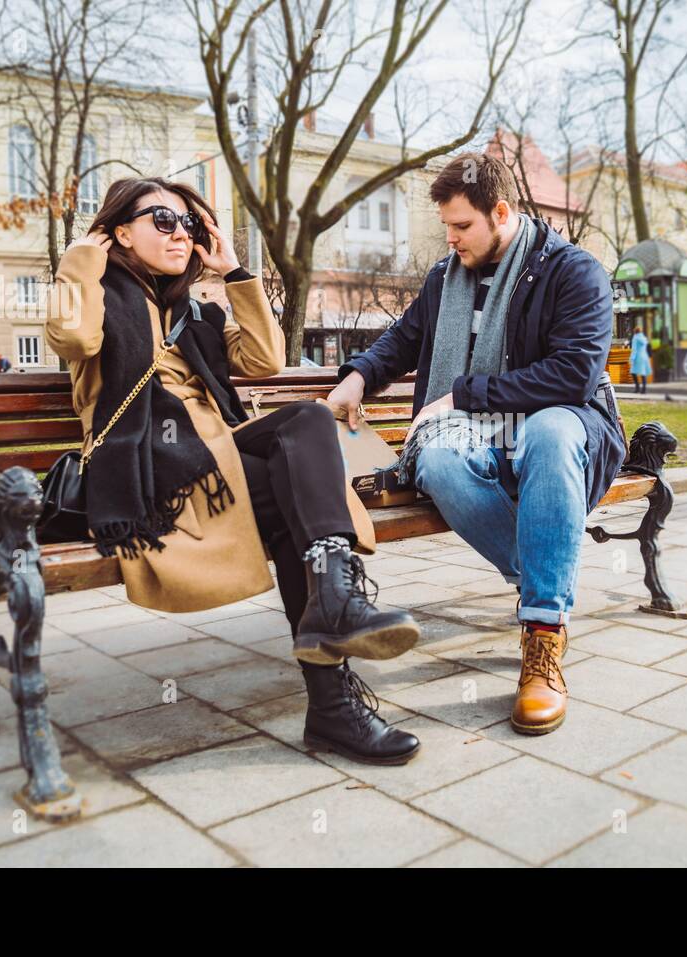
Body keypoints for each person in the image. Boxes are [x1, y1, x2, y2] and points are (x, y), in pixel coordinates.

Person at [46, 176, 422, 765]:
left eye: (189, 225)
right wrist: (83, 256)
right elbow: (72, 338)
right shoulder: (97, 293)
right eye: (162, 221)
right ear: (120, 230)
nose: (180, 234)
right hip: (152, 465)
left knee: (309, 422)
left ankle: (333, 618)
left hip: (220, 453)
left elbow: (265, 360)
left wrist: (236, 274)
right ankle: (332, 693)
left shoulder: (195, 311)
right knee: (300, 502)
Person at [328, 152, 626, 735]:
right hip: (478, 437)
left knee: (548, 427)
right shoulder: (446, 278)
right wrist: (358, 377)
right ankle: (548, 573)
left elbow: (572, 376)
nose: (452, 239)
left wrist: (464, 395)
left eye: (462, 226)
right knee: (436, 458)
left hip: (565, 426)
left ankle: (542, 640)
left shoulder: (574, 271)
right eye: (446, 226)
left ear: (502, 212)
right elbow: (403, 339)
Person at [628, 323, 651, 394]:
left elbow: (634, 349)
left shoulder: (635, 338)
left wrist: (632, 358)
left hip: (638, 357)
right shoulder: (644, 338)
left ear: (635, 331)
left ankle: (637, 388)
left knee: (633, 372)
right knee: (643, 373)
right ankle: (644, 389)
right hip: (644, 356)